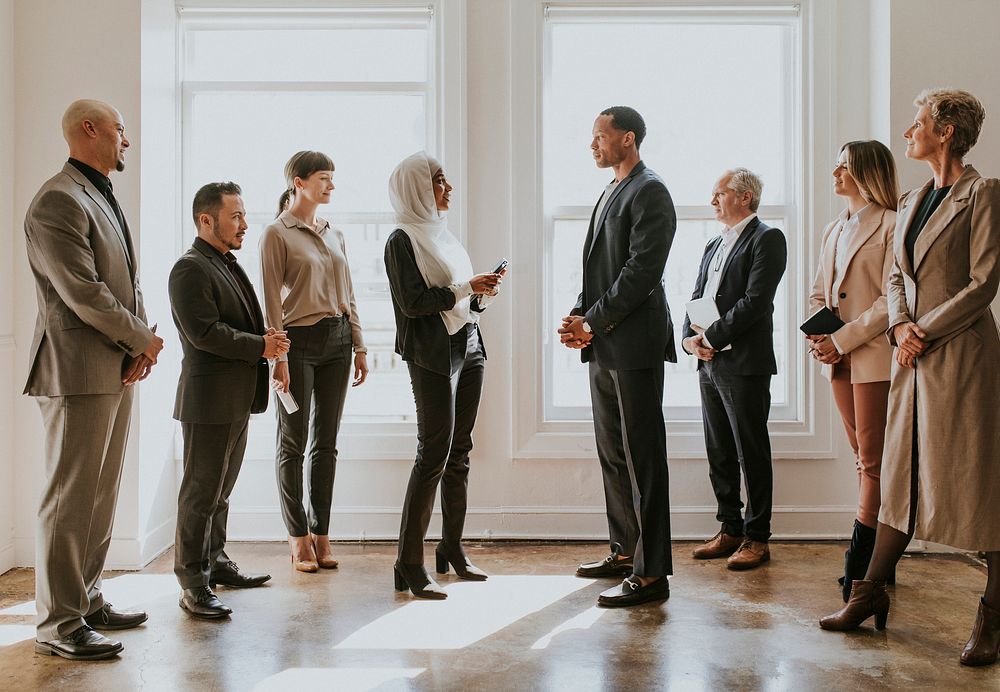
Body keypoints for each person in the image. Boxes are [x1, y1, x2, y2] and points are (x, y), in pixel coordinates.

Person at [820, 89, 1000, 668]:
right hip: (911, 357)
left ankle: (993, 616)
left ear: (946, 131)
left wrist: (922, 329)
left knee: (975, 481)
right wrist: (900, 327)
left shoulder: (983, 193)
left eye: (918, 123)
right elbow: (895, 275)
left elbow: (984, 281)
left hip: (962, 359)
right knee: (899, 476)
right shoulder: (914, 196)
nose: (908, 132)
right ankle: (869, 593)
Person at [24, 99, 163, 660]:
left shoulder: (100, 194)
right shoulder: (57, 199)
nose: (125, 140)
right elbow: (83, 292)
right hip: (76, 367)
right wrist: (141, 339)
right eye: (119, 129)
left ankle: (87, 599)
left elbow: (124, 281)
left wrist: (139, 345)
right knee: (69, 497)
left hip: (115, 364)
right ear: (90, 130)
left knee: (101, 494)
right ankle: (59, 623)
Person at [558, 106, 675, 608]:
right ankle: (625, 552)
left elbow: (640, 272)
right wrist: (578, 316)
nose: (593, 145)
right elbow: (600, 271)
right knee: (612, 453)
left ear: (628, 139)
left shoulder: (651, 190)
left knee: (643, 457)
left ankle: (653, 574)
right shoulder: (610, 191)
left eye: (599, 136)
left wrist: (593, 320)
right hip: (605, 342)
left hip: (635, 344)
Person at [385, 151, 503, 599]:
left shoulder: (443, 234)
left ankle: (451, 548)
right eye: (438, 180)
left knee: (461, 451)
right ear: (417, 187)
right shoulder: (401, 240)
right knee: (432, 453)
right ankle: (407, 563)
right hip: (433, 353)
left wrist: (481, 294)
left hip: (469, 344)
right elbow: (413, 302)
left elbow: (459, 301)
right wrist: (464, 288)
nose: (447, 187)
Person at [169, 182, 289, 619]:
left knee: (220, 491)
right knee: (200, 493)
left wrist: (266, 344)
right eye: (235, 216)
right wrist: (261, 346)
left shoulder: (224, 263)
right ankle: (192, 582)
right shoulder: (190, 269)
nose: (243, 223)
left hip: (236, 398)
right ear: (206, 220)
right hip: (208, 401)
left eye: (243, 214)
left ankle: (215, 562)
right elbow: (204, 333)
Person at [260, 151, 369, 573]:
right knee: (293, 442)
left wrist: (359, 344)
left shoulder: (333, 233)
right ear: (298, 182)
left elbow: (349, 291)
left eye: (332, 179)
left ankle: (322, 533)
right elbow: (271, 301)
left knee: (327, 443)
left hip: (338, 340)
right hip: (299, 342)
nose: (331, 186)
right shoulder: (276, 233)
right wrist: (279, 356)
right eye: (324, 178)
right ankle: (297, 537)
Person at [683, 168, 787, 571]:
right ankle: (729, 528)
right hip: (709, 362)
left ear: (745, 197)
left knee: (751, 451)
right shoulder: (713, 243)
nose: (712, 200)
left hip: (744, 363)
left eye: (719, 193)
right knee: (719, 451)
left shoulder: (768, 238)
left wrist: (712, 337)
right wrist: (689, 340)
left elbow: (756, 301)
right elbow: (697, 297)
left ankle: (757, 538)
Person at [807, 141, 898, 599]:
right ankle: (882, 562)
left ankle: (862, 569)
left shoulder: (891, 224)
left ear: (866, 171)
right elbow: (819, 292)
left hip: (873, 357)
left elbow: (890, 300)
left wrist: (842, 339)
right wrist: (819, 338)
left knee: (875, 462)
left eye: (844, 164)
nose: (835, 171)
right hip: (838, 361)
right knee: (861, 460)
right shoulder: (833, 228)